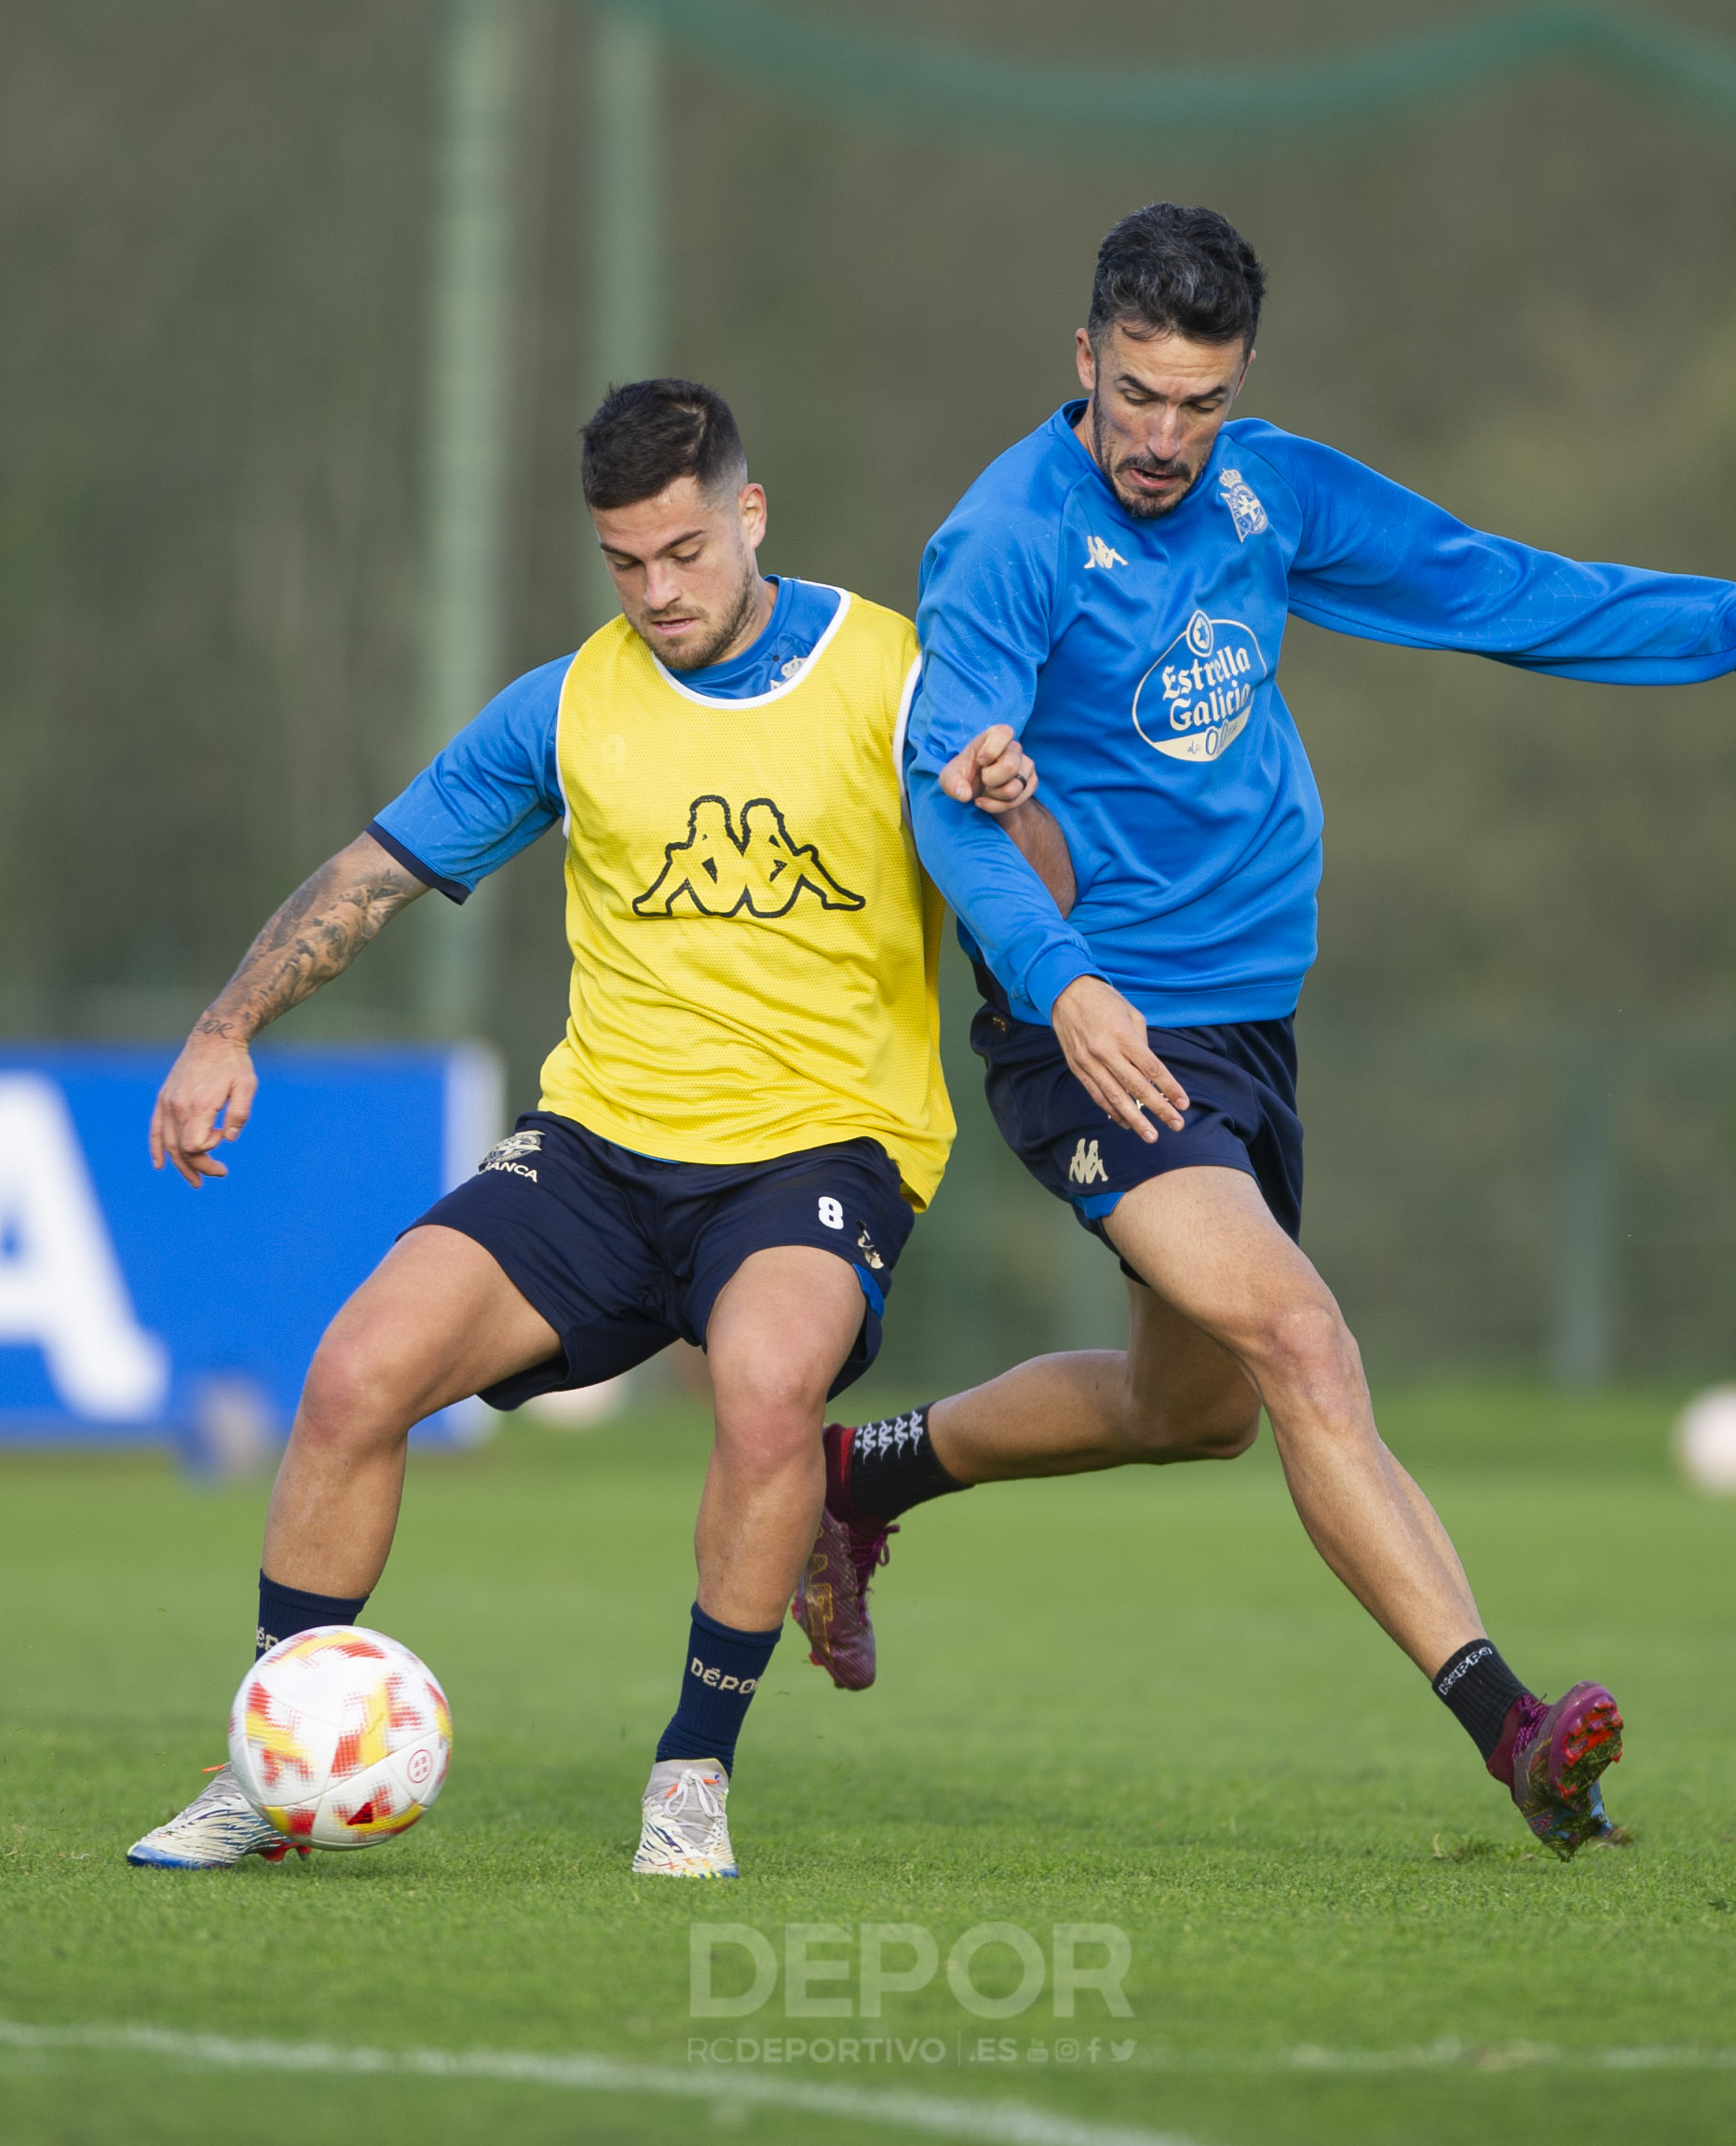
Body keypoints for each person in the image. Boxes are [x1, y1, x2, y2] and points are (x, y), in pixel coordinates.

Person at [793, 204, 1736, 1857]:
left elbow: (1493, 590)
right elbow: (949, 803)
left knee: (1197, 1407)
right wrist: (1061, 977)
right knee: (1306, 1339)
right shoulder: (1006, 539)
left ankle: (859, 1477)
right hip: (1090, 1028)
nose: (1166, 438)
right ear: (1082, 359)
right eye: (1139, 395)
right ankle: (1515, 1728)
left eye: (1203, 401)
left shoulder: (1272, 493)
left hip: (1247, 1027)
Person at [121, 380, 1057, 1877]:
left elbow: (1047, 902)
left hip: (825, 1149)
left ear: (751, 515)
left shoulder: (896, 673)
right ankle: (268, 1764)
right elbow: (377, 867)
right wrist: (228, 1024)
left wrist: (1012, 806)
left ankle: (691, 1777)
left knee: (762, 1391)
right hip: (600, 1150)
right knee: (358, 1372)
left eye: (685, 551)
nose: (658, 590)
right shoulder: (568, 704)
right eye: (625, 562)